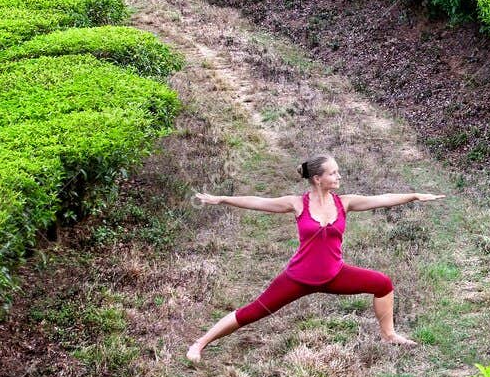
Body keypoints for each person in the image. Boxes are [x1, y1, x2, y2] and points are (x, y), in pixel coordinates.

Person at [185, 154, 443, 362]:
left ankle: (389, 335)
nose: (339, 176)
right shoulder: (297, 203)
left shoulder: (346, 202)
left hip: (335, 275)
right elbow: (258, 202)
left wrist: (413, 196)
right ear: (318, 178)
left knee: (382, 284)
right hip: (298, 279)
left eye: (337, 172)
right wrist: (221, 199)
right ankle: (200, 343)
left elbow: (382, 200)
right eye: (333, 173)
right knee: (252, 312)